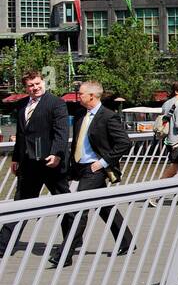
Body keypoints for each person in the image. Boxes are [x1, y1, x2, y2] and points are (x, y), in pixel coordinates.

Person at [49, 81, 135, 266]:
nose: (77, 96)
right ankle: (127, 241)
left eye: (80, 94)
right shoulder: (81, 114)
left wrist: (103, 163)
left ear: (92, 96)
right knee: (104, 206)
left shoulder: (108, 117)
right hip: (79, 166)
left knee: (79, 208)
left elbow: (125, 143)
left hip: (94, 169)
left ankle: (65, 254)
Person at [0, 71, 69, 254]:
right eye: (31, 85)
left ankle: (72, 239)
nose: (35, 87)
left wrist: (56, 154)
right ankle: (3, 245)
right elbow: (21, 135)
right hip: (28, 164)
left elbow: (61, 132)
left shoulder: (56, 103)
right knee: (20, 203)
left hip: (50, 163)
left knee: (66, 203)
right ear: (26, 87)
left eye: (37, 83)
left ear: (43, 82)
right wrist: (15, 159)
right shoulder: (22, 104)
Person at [159, 82, 178, 182]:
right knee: (174, 169)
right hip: (177, 141)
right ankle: (155, 189)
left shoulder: (166, 104)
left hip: (168, 139)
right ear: (177, 92)